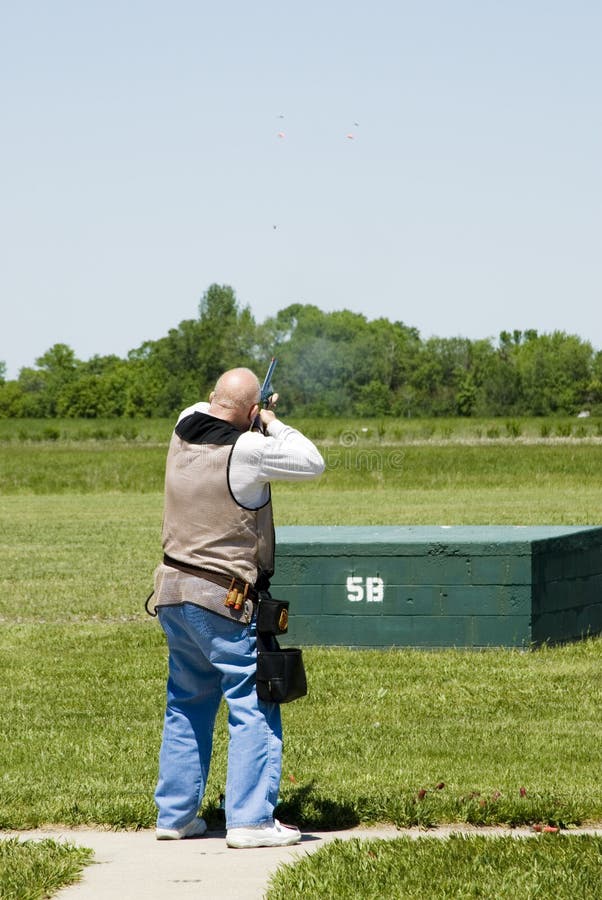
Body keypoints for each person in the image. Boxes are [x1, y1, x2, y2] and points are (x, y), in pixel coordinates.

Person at [151, 367, 325, 848]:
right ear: (250, 412)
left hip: (171, 592)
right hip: (222, 597)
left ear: (211, 398)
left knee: (186, 703)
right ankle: (250, 821)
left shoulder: (183, 424)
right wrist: (270, 421)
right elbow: (312, 462)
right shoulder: (248, 448)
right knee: (254, 701)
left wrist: (249, 410)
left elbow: (212, 413)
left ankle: (176, 815)